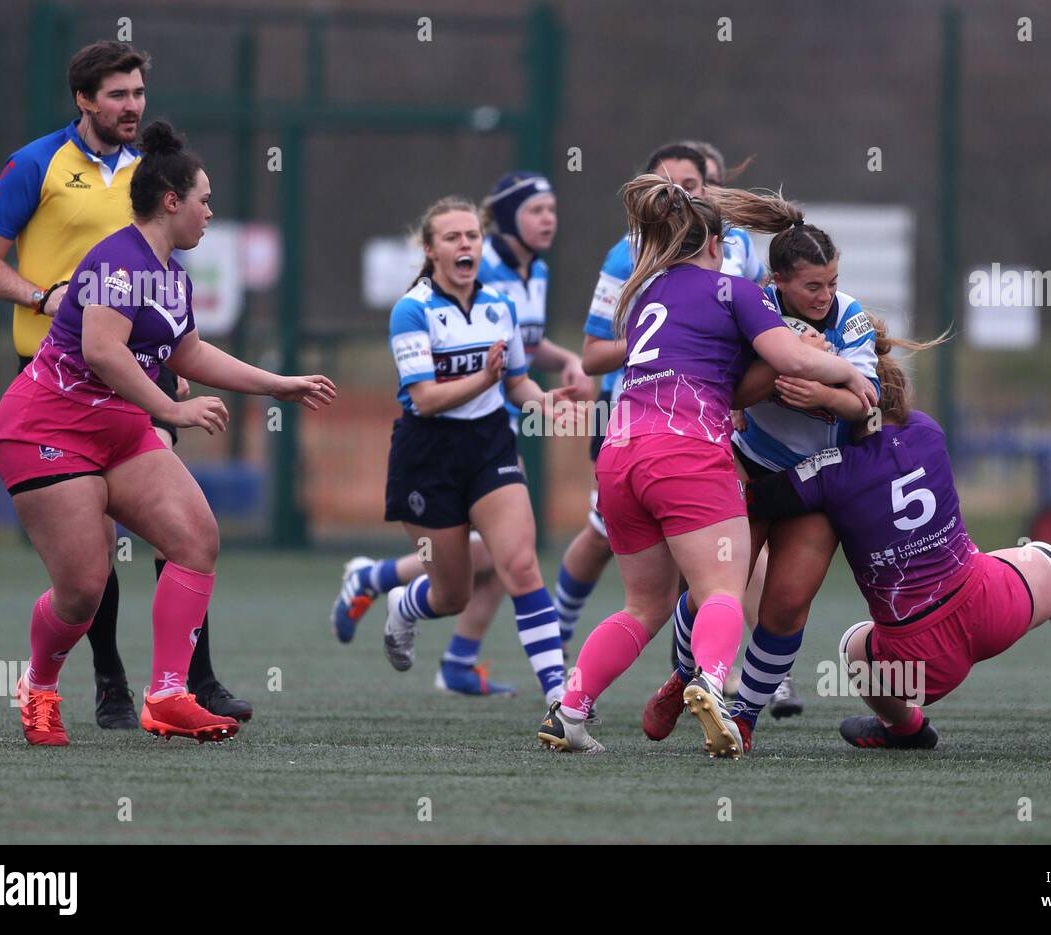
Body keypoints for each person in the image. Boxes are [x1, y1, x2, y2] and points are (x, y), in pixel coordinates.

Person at [0, 121, 335, 745]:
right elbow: (103, 350)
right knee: (81, 593)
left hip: (116, 430)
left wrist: (276, 383)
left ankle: (169, 694)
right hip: (46, 426)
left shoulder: (172, 275)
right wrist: (172, 412)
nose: (210, 212)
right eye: (203, 199)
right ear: (171, 200)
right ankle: (39, 686)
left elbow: (190, 353)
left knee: (196, 537)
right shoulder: (115, 258)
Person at [536, 176, 874, 757]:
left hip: (619, 454)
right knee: (720, 587)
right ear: (717, 243)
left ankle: (570, 710)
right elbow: (792, 357)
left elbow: (727, 376)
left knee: (642, 606)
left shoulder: (646, 295)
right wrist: (847, 376)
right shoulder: (734, 291)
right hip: (686, 450)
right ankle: (713, 685)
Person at [0, 39, 250, 727]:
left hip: (139, 381)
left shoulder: (154, 174)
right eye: (118, 94)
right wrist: (43, 296)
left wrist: (171, 373)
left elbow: (166, 303)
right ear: (85, 100)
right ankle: (104, 681)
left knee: (185, 532)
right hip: (56, 384)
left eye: (138, 93)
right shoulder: (37, 164)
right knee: (86, 573)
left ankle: (184, 686)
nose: (132, 105)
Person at [743, 349, 1051, 756]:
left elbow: (757, 498)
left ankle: (904, 727)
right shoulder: (927, 432)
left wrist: (752, 413)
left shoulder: (826, 473)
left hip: (917, 665)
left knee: (852, 648)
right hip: (990, 609)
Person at [331, 172, 592, 698]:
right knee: (452, 593)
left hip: (490, 445)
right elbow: (424, 398)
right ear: (431, 251)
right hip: (428, 454)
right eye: (452, 238)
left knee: (519, 565)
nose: (465, 244)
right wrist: (483, 378)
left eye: (472, 235)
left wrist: (546, 403)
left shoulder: (501, 305)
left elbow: (516, 382)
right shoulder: (413, 310)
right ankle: (404, 603)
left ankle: (560, 699)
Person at [644, 222, 902, 752]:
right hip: (752, 468)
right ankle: (682, 675)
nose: (825, 295)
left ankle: (743, 718)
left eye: (832, 282)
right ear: (779, 281)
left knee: (786, 605)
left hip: (818, 480)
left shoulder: (849, 316)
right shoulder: (752, 306)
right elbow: (725, 386)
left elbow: (866, 401)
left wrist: (822, 395)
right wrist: (764, 379)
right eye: (813, 286)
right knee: (718, 588)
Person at [553, 142, 769, 667]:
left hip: (713, 413)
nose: (679, 199)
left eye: (690, 188)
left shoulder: (738, 247)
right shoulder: (626, 254)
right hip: (646, 413)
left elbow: (763, 321)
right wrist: (676, 344)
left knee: (727, 545)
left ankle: (711, 670)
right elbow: (593, 355)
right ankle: (555, 630)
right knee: (616, 540)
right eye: (668, 189)